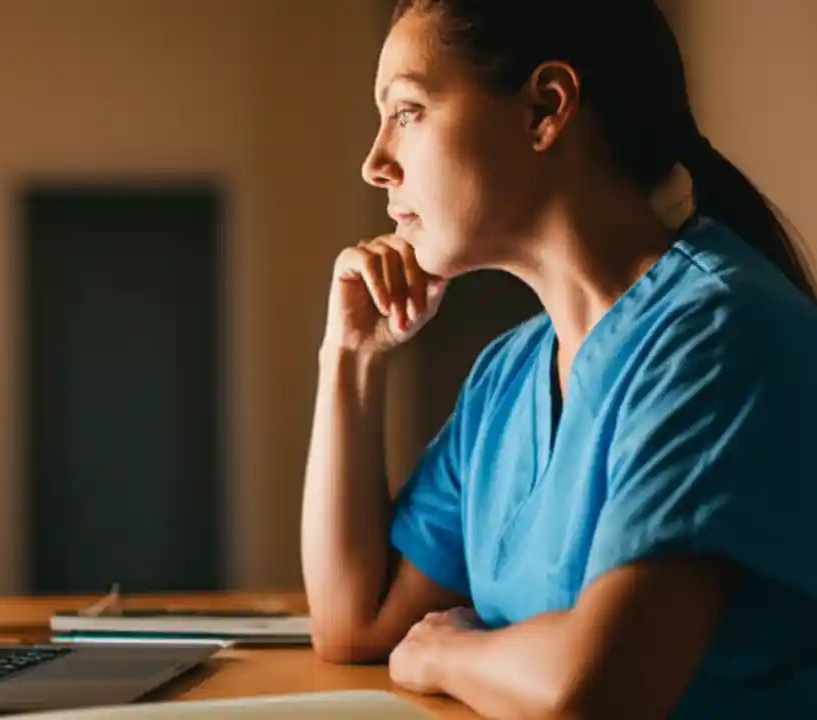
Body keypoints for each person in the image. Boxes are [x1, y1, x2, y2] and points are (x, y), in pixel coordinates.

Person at [300, 1, 817, 717]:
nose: (375, 162)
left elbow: (600, 689)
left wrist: (448, 652)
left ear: (545, 109)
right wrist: (350, 357)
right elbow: (357, 623)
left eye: (408, 111)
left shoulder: (718, 335)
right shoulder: (506, 376)